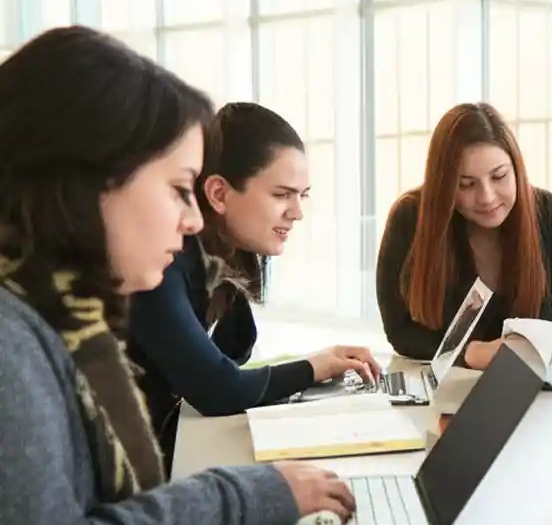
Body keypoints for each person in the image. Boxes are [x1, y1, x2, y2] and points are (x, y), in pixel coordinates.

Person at [0, 27, 354, 525]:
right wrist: (249, 496)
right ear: (91, 186)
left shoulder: (63, 321)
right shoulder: (13, 345)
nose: (192, 220)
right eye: (176, 189)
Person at [129, 102, 380, 455]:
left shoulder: (220, 255)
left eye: (302, 195)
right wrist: (314, 367)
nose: (297, 213)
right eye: (281, 195)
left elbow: (235, 352)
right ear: (218, 194)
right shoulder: (162, 261)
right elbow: (219, 389)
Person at [377, 102, 552, 368]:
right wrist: (470, 352)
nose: (486, 197)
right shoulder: (410, 219)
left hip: (537, 386)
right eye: (466, 184)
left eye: (499, 177)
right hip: (440, 394)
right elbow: (400, 329)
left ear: (516, 169)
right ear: (443, 184)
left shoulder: (551, 217)